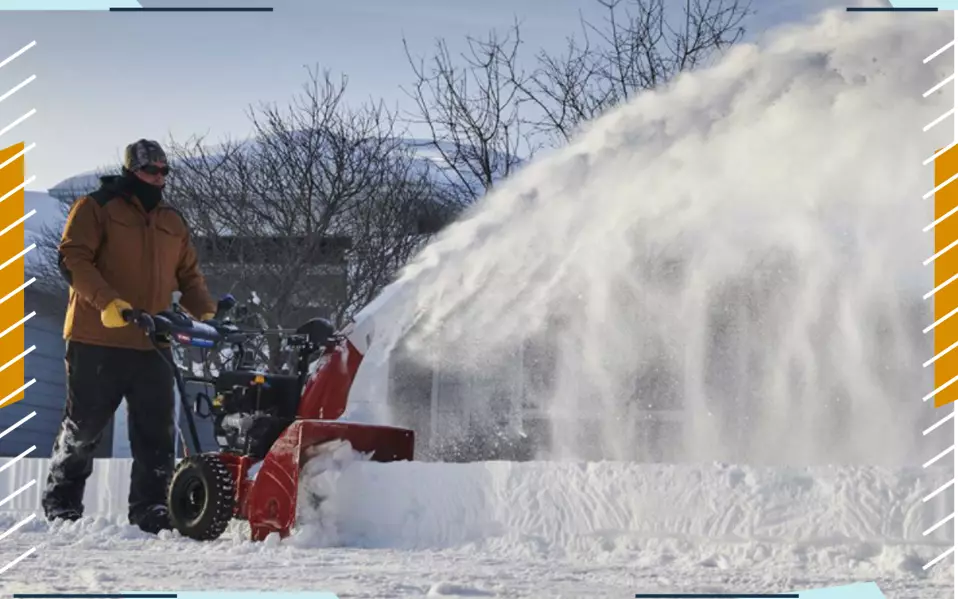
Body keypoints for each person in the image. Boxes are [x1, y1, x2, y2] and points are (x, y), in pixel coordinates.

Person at [41, 139, 217, 534]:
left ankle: (151, 508)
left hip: (153, 340)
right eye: (150, 171)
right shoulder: (96, 208)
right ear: (131, 171)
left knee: (156, 432)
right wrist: (108, 301)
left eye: (163, 171)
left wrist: (203, 309)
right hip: (97, 337)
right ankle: (62, 505)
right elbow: (73, 258)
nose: (158, 178)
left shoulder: (173, 220)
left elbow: (189, 275)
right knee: (85, 427)